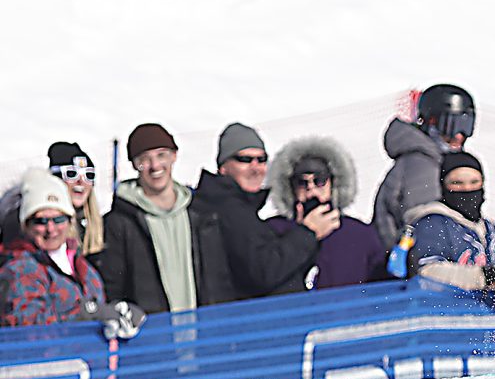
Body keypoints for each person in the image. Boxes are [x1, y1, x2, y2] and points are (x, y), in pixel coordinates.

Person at [92, 122, 233, 314]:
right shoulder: (120, 222)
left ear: (174, 156)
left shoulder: (200, 213)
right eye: (144, 159)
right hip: (154, 329)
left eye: (161, 155)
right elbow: (113, 287)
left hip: (204, 326)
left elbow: (220, 280)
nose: (155, 166)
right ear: (134, 165)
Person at [193, 123, 329, 299]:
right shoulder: (228, 209)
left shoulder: (234, 206)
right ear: (223, 167)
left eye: (262, 159)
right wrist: (307, 232)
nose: (255, 168)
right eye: (245, 160)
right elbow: (264, 270)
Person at [266, 137, 388, 290]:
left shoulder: (359, 234)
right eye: (302, 182)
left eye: (319, 180)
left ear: (333, 183)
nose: (311, 189)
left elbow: (383, 284)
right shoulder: (273, 232)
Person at [0, 171, 108, 328]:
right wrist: (82, 315)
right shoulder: (20, 269)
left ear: (70, 222)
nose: (51, 229)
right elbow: (28, 327)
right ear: (26, 226)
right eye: (41, 221)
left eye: (59, 219)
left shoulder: (81, 266)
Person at [374, 83, 475, 250]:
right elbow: (425, 228)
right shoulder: (422, 164)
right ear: (430, 122)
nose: (459, 135)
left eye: (466, 126)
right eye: (450, 125)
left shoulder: (438, 160)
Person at [408, 152, 495, 293]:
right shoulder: (432, 223)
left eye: (474, 182)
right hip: (447, 305)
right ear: (444, 185)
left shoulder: (489, 228)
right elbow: (428, 272)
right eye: (457, 183)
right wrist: (486, 276)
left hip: (488, 306)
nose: (467, 189)